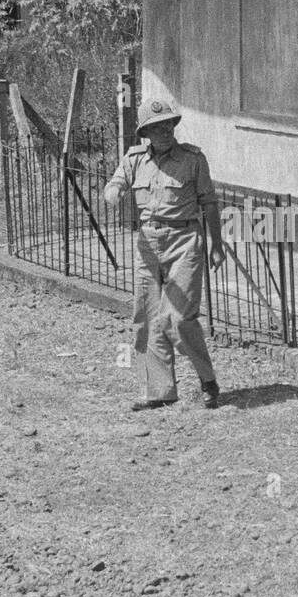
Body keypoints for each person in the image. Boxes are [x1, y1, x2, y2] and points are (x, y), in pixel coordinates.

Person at [103, 100, 224, 411]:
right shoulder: (134, 160)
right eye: (157, 126)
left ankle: (207, 379)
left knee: (179, 317)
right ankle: (159, 391)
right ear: (146, 132)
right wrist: (113, 193)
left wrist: (216, 244)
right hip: (148, 245)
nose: (165, 130)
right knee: (147, 318)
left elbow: (209, 202)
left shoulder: (193, 159)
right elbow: (115, 183)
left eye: (169, 124)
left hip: (184, 241)